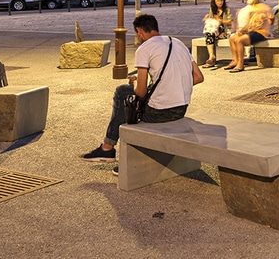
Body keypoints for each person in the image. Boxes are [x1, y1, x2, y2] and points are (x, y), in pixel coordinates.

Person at [81, 14, 203, 165]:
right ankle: (111, 150)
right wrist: (174, 86)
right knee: (130, 94)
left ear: (139, 31)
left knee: (122, 92)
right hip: (180, 110)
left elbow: (141, 92)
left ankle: (108, 148)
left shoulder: (144, 49)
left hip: (159, 114)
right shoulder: (178, 43)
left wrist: (135, 86)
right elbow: (198, 77)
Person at [227, 1, 273, 72]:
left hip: (261, 33)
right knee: (232, 38)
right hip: (251, 31)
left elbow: (270, 21)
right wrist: (242, 30)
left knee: (240, 41)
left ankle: (240, 63)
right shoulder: (252, 10)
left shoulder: (264, 8)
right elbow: (249, 23)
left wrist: (270, 18)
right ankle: (235, 60)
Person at [200, 0, 232, 69]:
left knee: (209, 34)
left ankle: (211, 58)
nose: (220, 2)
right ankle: (211, 57)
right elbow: (211, 21)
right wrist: (206, 19)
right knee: (209, 33)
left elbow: (230, 21)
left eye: (221, 0)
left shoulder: (226, 10)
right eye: (218, 1)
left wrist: (220, 20)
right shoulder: (212, 10)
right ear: (214, 2)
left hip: (223, 31)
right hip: (214, 31)